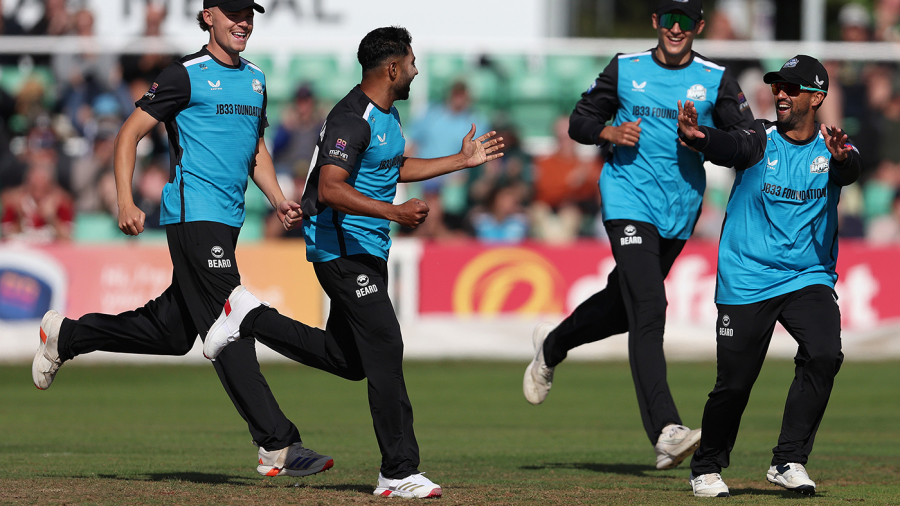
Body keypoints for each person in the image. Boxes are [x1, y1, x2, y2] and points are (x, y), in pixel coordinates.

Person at [31, 0, 335, 480]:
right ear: (207, 16)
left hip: (227, 222)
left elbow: (254, 148)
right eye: (233, 12)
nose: (243, 22)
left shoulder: (256, 78)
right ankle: (276, 443)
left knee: (171, 334)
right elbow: (129, 134)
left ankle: (66, 335)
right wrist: (126, 201)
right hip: (194, 217)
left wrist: (278, 198)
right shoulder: (183, 74)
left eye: (249, 14)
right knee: (229, 321)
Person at [201, 26, 504, 499]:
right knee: (385, 343)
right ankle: (398, 471)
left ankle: (249, 316)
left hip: (366, 248)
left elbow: (394, 165)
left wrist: (460, 161)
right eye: (411, 61)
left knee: (350, 360)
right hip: (339, 249)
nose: (416, 69)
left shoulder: (387, 114)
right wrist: (396, 212)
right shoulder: (351, 117)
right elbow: (330, 187)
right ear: (391, 68)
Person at [522, 0, 755, 471]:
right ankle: (666, 431)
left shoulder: (716, 79)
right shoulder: (624, 69)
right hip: (627, 201)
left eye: (685, 21)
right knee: (649, 307)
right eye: (667, 19)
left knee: (620, 308)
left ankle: (552, 345)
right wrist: (608, 131)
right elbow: (578, 122)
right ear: (654, 22)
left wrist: (701, 138)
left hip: (679, 211)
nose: (675, 28)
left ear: (699, 27)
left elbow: (745, 144)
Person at [677, 55, 861, 497]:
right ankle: (706, 467)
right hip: (747, 277)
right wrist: (699, 138)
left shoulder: (834, 148)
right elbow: (729, 146)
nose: (781, 93)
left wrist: (843, 160)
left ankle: (789, 460)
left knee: (824, 353)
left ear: (816, 98)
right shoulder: (758, 137)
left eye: (792, 88)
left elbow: (850, 169)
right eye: (778, 86)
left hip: (807, 277)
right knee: (735, 383)